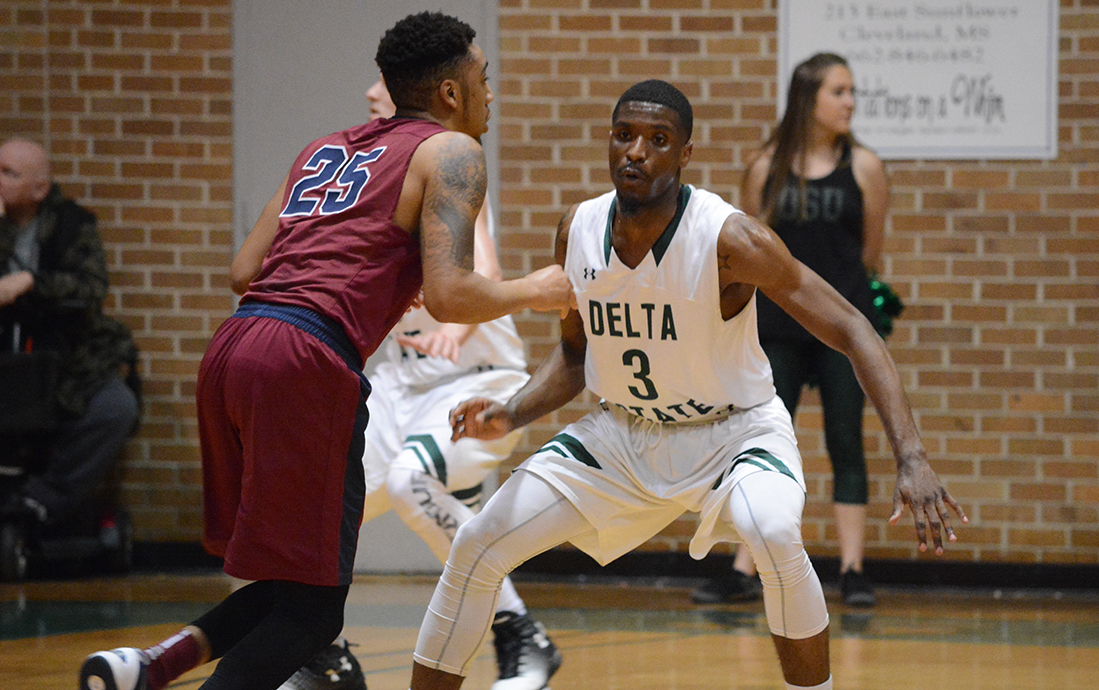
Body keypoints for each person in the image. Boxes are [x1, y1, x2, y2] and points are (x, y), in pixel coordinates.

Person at [406, 79, 965, 690]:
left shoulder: (732, 239)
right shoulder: (579, 229)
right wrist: (512, 413)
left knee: (773, 532)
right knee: (477, 543)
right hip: (621, 435)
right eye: (624, 136)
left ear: (684, 154)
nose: (636, 153)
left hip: (734, 434)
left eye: (657, 140)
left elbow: (855, 328)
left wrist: (911, 456)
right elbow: (574, 356)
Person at [78, 12, 573, 690]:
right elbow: (454, 294)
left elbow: (242, 271)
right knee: (312, 613)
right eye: (486, 81)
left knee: (296, 590)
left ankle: (152, 667)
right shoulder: (450, 151)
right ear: (453, 94)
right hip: (302, 361)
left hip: (233, 348)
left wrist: (370, 279)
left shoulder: (321, 149)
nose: (492, 95)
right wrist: (539, 290)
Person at [277, 79, 561, 690]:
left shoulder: (449, 167)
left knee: (410, 481)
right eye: (370, 101)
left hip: (474, 379)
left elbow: (482, 270)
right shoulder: (364, 183)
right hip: (402, 384)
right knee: (317, 512)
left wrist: (454, 331)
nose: (372, 104)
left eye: (383, 99)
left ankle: (519, 630)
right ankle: (327, 655)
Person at [692, 52, 889, 608]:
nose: (850, 102)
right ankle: (743, 568)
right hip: (776, 327)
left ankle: (852, 569)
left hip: (843, 326)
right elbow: (748, 253)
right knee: (762, 440)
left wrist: (844, 304)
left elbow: (872, 253)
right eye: (840, 91)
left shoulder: (867, 167)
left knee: (846, 439)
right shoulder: (764, 168)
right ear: (809, 98)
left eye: (852, 92)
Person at [0, 137, 140, 528]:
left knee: (116, 408)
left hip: (65, 362)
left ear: (39, 189)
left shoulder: (72, 224)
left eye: (8, 173)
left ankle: (41, 500)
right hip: (5, 362)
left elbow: (90, 289)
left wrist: (31, 282)